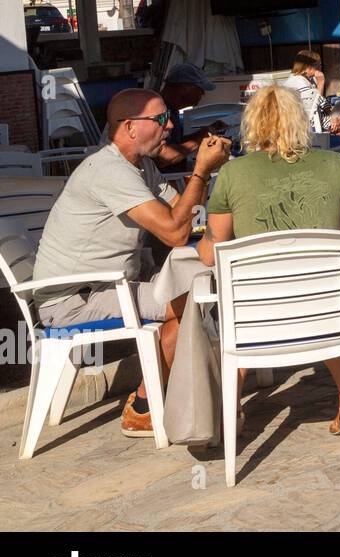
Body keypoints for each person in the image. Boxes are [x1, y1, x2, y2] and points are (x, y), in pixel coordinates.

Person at [33, 88, 231, 437]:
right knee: (195, 298)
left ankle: (159, 396)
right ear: (130, 127)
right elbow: (175, 233)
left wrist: (217, 180)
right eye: (160, 119)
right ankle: (143, 406)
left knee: (197, 291)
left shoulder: (141, 167)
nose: (170, 125)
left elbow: (183, 216)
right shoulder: (109, 171)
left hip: (105, 288)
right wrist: (200, 170)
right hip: (73, 300)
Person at [199, 85, 340, 436]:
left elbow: (209, 255)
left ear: (251, 124)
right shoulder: (336, 164)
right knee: (332, 295)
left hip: (256, 317)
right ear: (301, 120)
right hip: (326, 311)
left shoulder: (232, 175)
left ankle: (228, 408)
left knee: (232, 312)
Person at [156, 62, 224, 170]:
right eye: (200, 89)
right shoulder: (158, 111)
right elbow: (163, 157)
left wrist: (205, 132)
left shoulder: (171, 110)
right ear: (184, 88)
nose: (203, 94)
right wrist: (199, 138)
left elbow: (175, 143)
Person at [284, 49, 340, 135]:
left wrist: (333, 115)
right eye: (317, 65)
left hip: (306, 119)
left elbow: (320, 101)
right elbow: (316, 105)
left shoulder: (299, 79)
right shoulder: (301, 82)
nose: (320, 67)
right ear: (307, 67)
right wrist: (321, 82)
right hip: (307, 122)